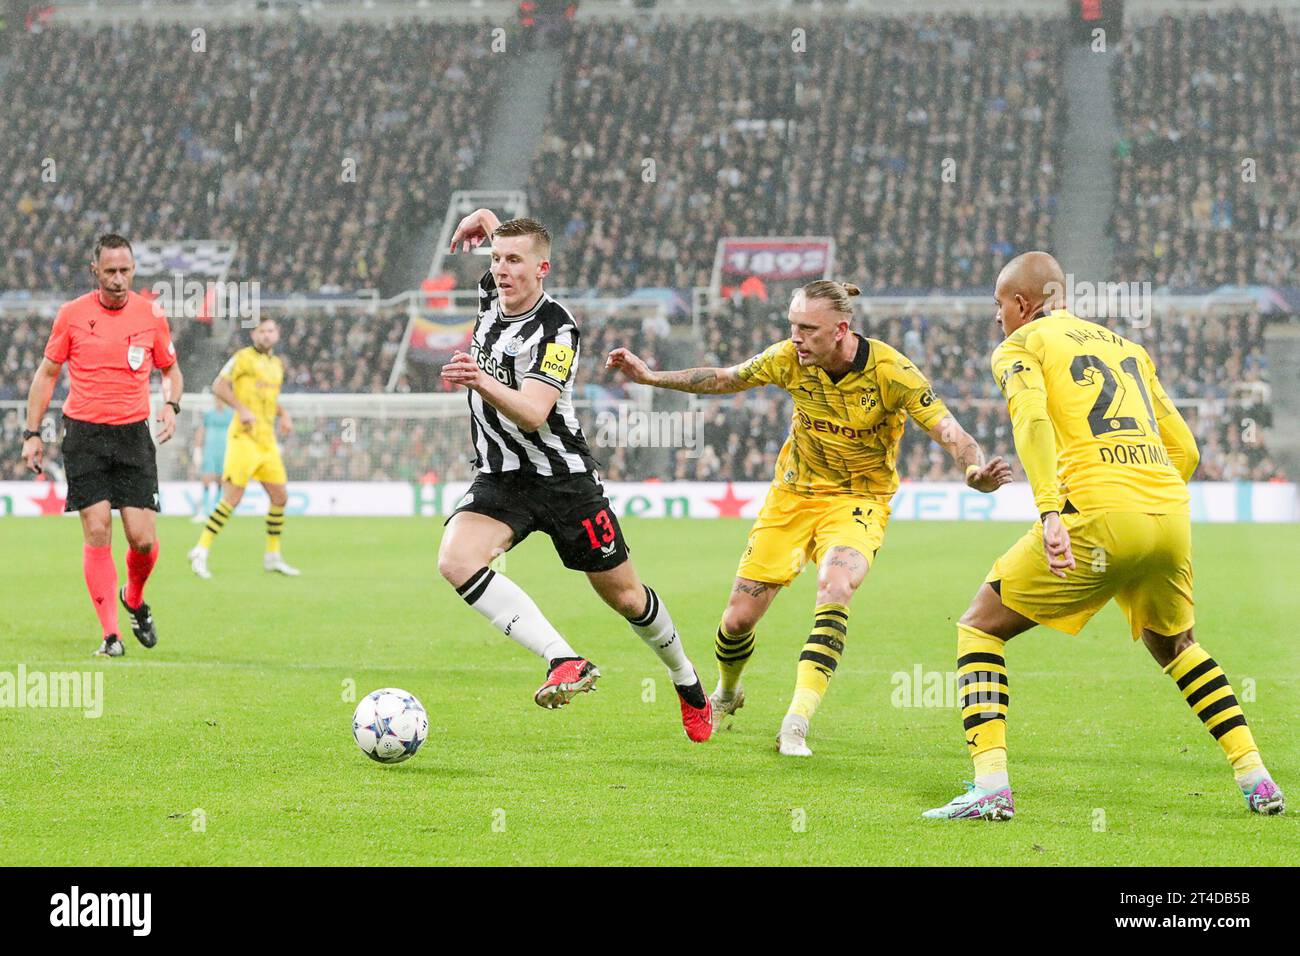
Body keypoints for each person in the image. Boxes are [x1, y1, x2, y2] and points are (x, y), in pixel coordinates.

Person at [923, 251, 1284, 820]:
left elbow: (1032, 422)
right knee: (1177, 647)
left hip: (1095, 512)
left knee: (978, 627)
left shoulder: (1020, 347)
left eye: (999, 305)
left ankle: (990, 786)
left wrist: (1050, 512)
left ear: (1022, 304)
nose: (997, 318)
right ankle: (1256, 777)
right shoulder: (1127, 349)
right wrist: (1144, 503)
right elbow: (1185, 449)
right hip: (1168, 511)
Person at [607, 280, 1010, 755]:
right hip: (792, 497)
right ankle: (728, 691)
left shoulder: (891, 371)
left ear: (841, 329)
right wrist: (651, 378)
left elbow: (947, 427)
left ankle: (796, 719)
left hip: (858, 500)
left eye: (806, 329)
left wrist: (971, 467)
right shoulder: (788, 359)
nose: (795, 337)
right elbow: (724, 378)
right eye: (792, 326)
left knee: (836, 587)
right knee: (737, 621)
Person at [437, 208, 713, 741]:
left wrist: (478, 379)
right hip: (502, 478)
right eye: (496, 259)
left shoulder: (558, 328)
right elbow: (513, 242)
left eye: (514, 262)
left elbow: (536, 411)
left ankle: (686, 679)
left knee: (627, 598)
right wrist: (489, 220)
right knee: (455, 559)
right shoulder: (492, 294)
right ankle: (563, 658)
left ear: (543, 269)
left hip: (564, 481)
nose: (501, 270)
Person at [21, 233, 183, 657]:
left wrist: (171, 404)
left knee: (143, 540)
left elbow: (171, 370)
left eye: (125, 270)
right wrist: (32, 432)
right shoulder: (72, 315)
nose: (117, 279)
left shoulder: (151, 314)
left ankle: (134, 596)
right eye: (109, 271)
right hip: (85, 434)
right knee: (97, 529)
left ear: (134, 270)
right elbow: (47, 374)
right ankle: (111, 635)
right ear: (95, 271)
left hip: (132, 435)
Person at [188, 317, 298, 578]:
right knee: (233, 498)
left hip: (266, 440)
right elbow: (218, 386)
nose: (267, 335)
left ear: (277, 334)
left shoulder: (276, 365)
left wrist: (283, 414)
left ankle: (272, 556)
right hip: (243, 438)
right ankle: (200, 550)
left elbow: (269, 400)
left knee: (280, 497)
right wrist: (241, 409)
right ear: (254, 335)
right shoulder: (242, 358)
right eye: (262, 331)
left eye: (271, 330)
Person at [191, 391, 233, 522]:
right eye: (217, 399)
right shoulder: (209, 415)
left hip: (225, 451)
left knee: (221, 480)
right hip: (210, 450)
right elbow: (201, 431)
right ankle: (204, 509)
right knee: (207, 478)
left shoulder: (231, 415)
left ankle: (216, 508)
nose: (219, 401)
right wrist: (197, 449)